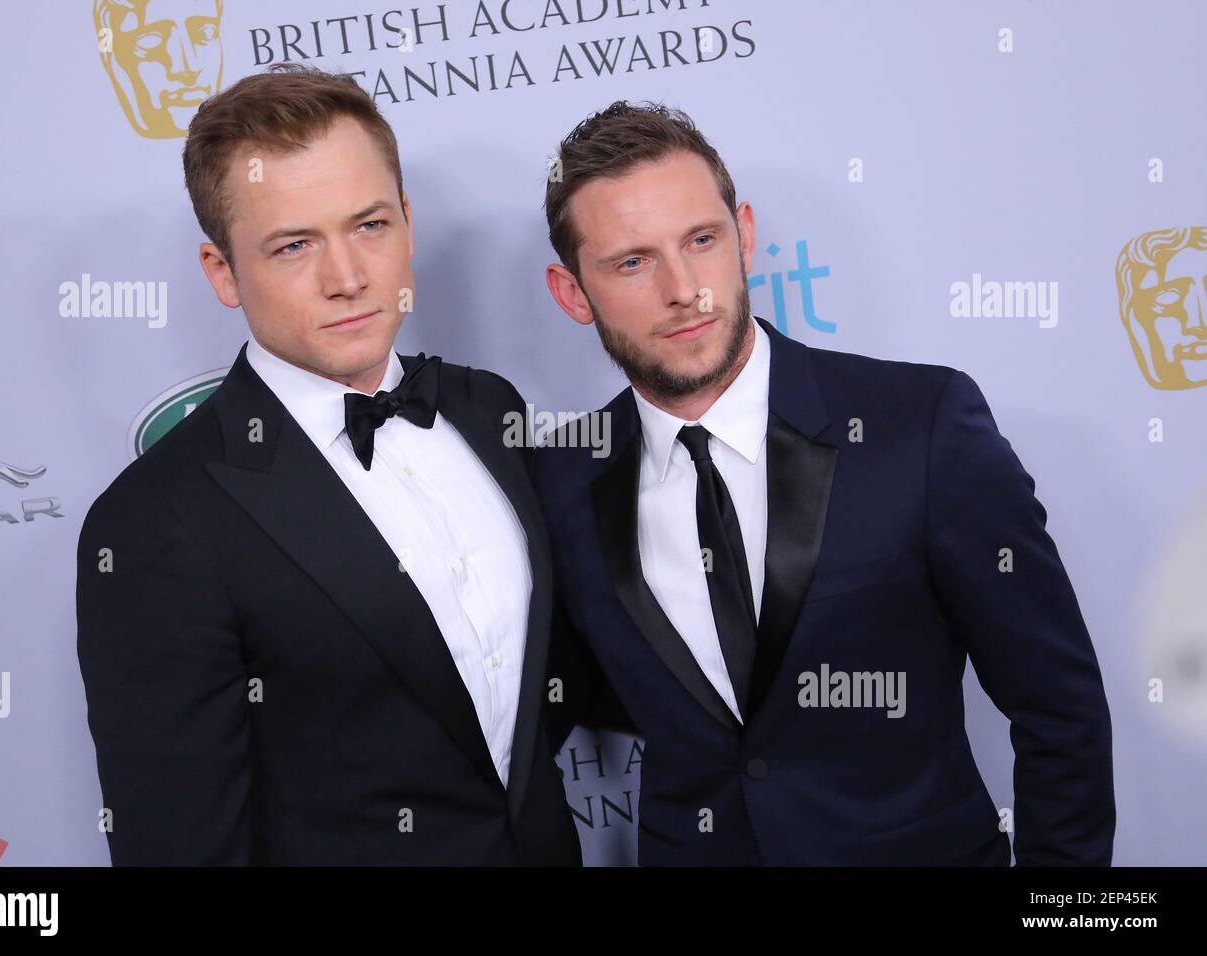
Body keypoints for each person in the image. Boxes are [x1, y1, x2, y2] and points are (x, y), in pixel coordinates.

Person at [538, 100, 1116, 866]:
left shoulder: (922, 426)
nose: (684, 290)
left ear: (743, 235)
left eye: (701, 241)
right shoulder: (560, 480)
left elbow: (1060, 707)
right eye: (632, 262)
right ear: (573, 292)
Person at [76, 64, 579, 865]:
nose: (346, 279)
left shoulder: (489, 408)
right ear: (222, 272)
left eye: (370, 225)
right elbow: (181, 845)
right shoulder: (153, 524)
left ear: (409, 223)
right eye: (294, 245)